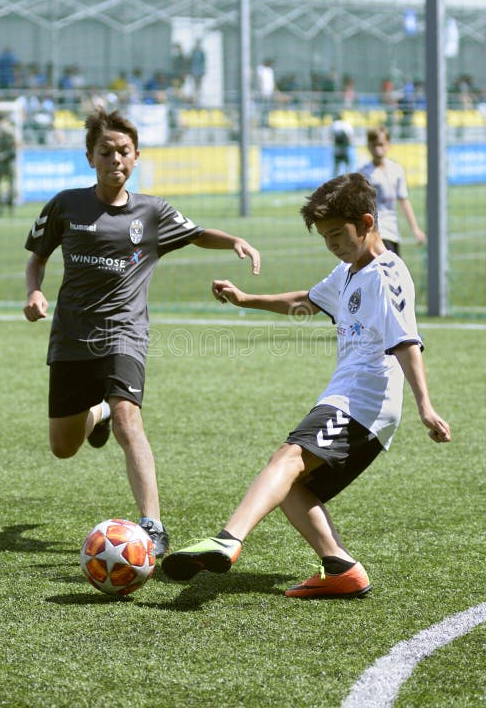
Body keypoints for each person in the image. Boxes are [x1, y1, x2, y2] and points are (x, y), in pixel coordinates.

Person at [162, 172, 451, 598]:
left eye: (338, 233)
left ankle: (228, 538)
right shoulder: (350, 270)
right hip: (349, 398)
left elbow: (406, 341)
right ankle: (340, 567)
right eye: (325, 237)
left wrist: (425, 405)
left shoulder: (386, 275)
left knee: (290, 455)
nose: (332, 243)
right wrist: (247, 300)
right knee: (293, 488)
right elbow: (308, 302)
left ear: (368, 223)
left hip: (363, 401)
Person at [22, 108, 261, 558]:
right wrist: (34, 292)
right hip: (72, 336)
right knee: (63, 447)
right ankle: (98, 414)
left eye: (124, 151)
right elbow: (37, 256)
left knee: (130, 418)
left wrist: (233, 240)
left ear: (137, 156)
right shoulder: (65, 205)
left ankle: (152, 525)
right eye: (106, 151)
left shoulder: (151, 212)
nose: (116, 159)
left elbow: (196, 233)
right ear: (90, 156)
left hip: (124, 333)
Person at [357, 126, 425, 255]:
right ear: (369, 147)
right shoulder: (363, 173)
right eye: (374, 145)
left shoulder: (396, 169)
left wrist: (415, 229)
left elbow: (403, 200)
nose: (378, 149)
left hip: (393, 231)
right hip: (375, 232)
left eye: (381, 144)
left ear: (388, 145)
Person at [0, 113, 18, 215]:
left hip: (0, 160)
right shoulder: (9, 130)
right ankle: (9, 208)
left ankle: (0, 208)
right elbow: (15, 144)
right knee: (9, 184)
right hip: (9, 160)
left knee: (0, 184)